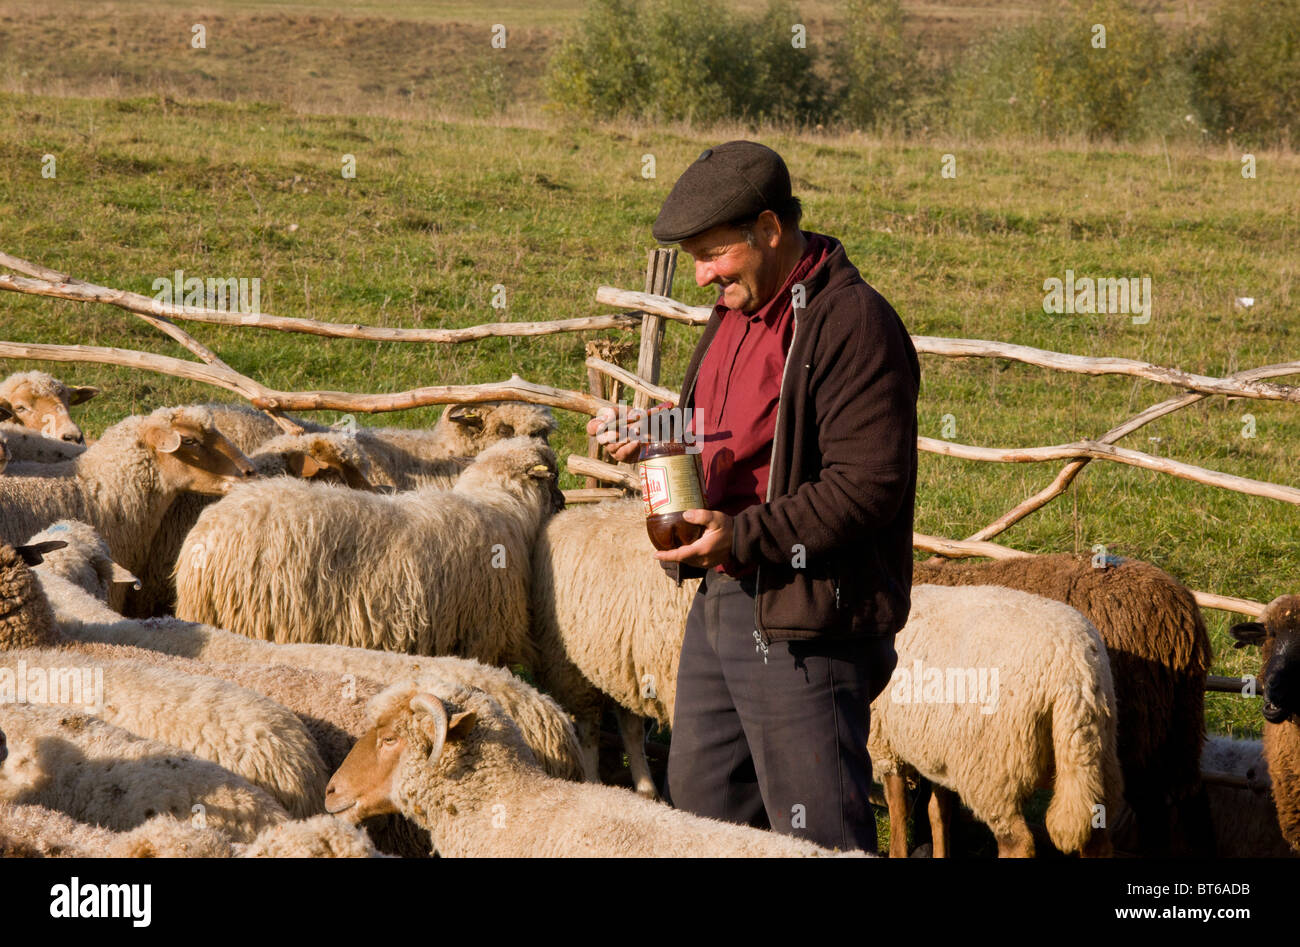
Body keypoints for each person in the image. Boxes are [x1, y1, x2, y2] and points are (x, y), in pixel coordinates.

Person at [589, 140, 919, 852]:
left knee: (821, 835)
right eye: (696, 260)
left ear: (769, 230)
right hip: (724, 601)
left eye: (713, 255)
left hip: (808, 618)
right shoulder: (734, 315)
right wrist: (656, 428)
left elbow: (868, 485)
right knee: (706, 811)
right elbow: (724, 426)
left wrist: (742, 537)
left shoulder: (852, 324)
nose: (703, 275)